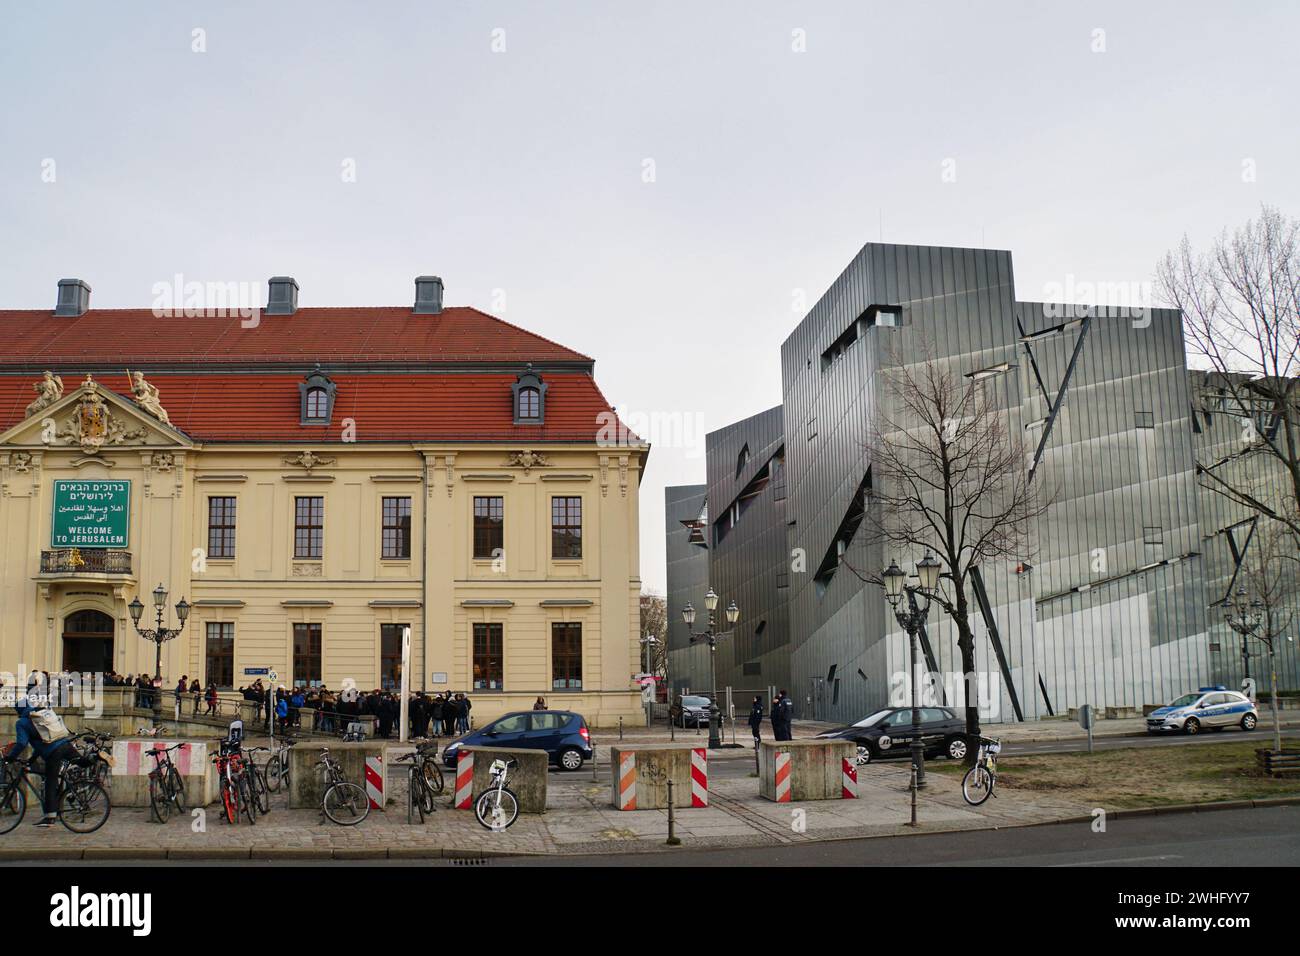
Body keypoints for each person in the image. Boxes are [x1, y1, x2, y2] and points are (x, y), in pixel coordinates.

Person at [3, 696, 76, 828]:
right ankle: (95, 759)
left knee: (50, 782)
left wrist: (11, 756)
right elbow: (42, 742)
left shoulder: (22, 722)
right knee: (82, 762)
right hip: (66, 744)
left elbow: (21, 743)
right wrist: (31, 760)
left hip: (54, 752)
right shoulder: (40, 715)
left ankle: (50, 817)